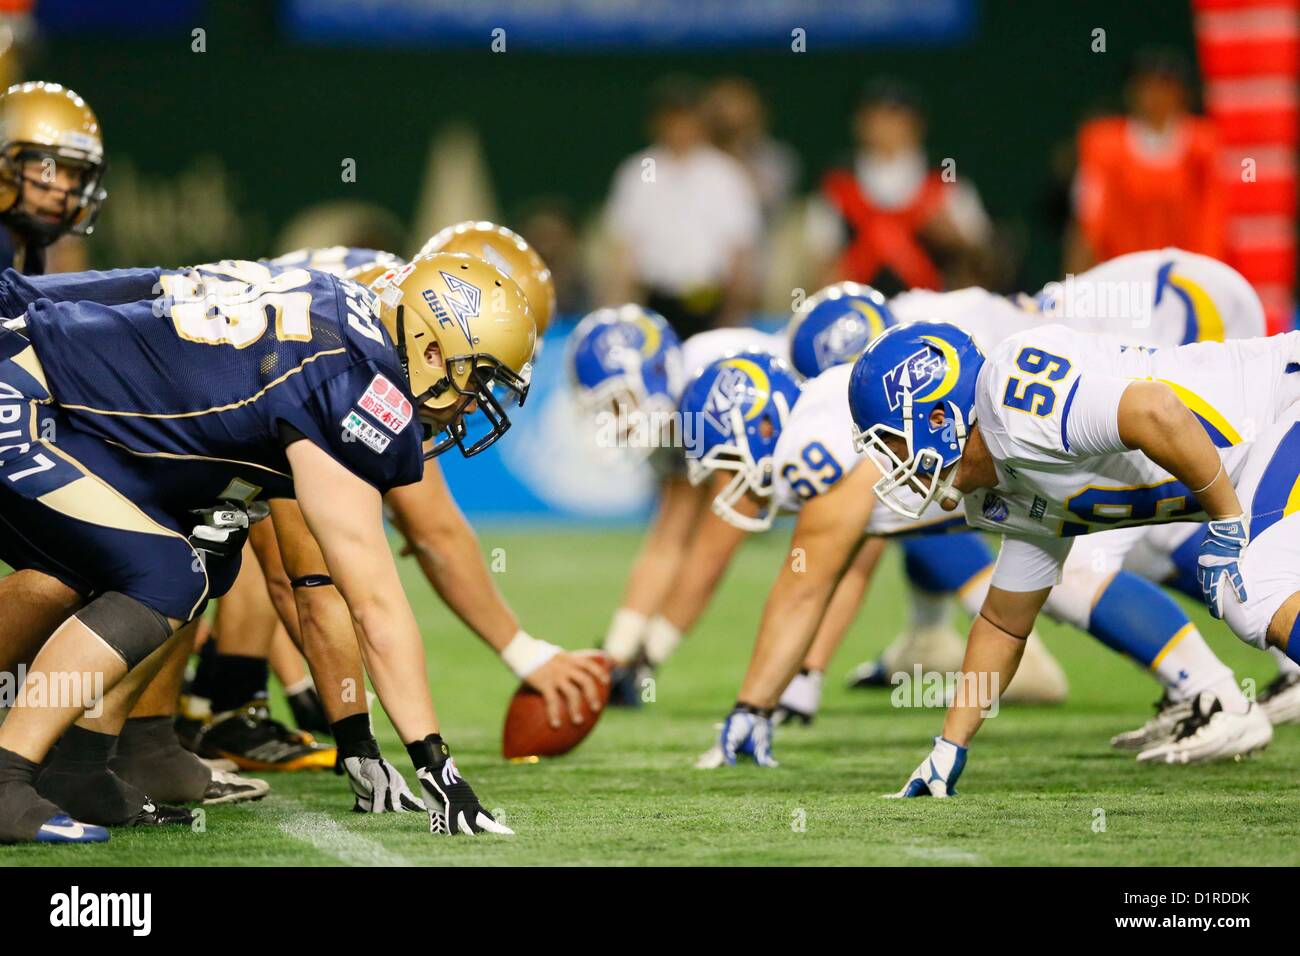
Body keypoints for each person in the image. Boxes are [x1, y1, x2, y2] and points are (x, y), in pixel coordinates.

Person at [0, 252, 529, 842]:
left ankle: (79, 765)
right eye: (475, 378)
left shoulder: (334, 303)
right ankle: (6, 775)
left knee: (213, 539)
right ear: (432, 349)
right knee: (168, 574)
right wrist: (438, 768)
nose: (471, 403)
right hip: (25, 396)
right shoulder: (351, 383)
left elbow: (148, 285)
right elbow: (372, 602)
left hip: (51, 389)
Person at [848, 318, 1300, 796]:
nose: (892, 467)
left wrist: (1228, 522)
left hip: (1282, 405)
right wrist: (948, 748)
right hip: (1267, 447)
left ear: (937, 418)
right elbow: (1003, 624)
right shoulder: (1000, 491)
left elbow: (1157, 410)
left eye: (891, 443)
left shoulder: (1011, 401)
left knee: (1250, 588)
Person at [602, 77, 761, 338]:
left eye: (686, 118)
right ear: (657, 123)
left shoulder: (725, 174)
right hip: (655, 304)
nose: (679, 128)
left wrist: (732, 318)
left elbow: (740, 253)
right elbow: (624, 252)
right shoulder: (637, 172)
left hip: (711, 306)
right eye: (671, 119)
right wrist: (619, 316)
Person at [809, 79, 991, 297]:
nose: (883, 126)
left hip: (934, 310)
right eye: (873, 117)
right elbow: (821, 262)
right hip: (863, 311)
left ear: (916, 124)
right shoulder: (837, 184)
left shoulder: (945, 180)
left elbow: (983, 261)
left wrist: (955, 241)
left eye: (894, 116)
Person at [1069, 50, 1225, 273]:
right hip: (1121, 284)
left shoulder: (1204, 148)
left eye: (1164, 86)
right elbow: (1087, 227)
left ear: (1181, 93)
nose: (1154, 96)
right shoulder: (1103, 147)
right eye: (1146, 86)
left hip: (1186, 282)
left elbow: (1214, 227)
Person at [0, 81, 106, 276]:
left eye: (74, 174)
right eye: (48, 168)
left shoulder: (28, 249)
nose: (64, 188)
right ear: (4, 168)